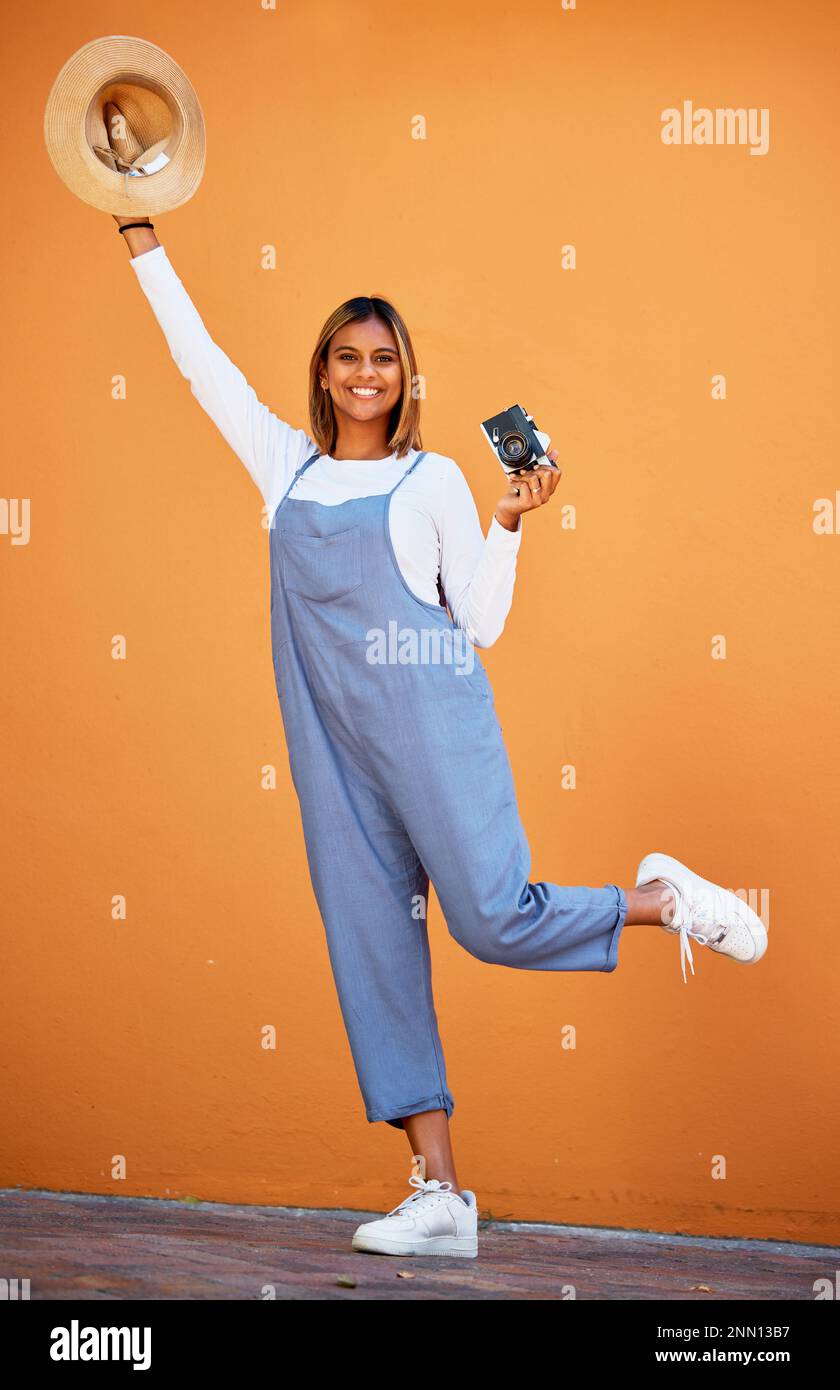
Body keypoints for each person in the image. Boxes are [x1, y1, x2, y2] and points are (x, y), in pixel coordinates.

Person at [113, 214, 768, 1260]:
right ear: (323, 373)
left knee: (491, 919)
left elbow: (484, 621)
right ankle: (440, 1193)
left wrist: (512, 520)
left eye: (385, 360)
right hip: (334, 751)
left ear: (406, 378)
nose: (365, 374)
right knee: (370, 948)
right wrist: (141, 233)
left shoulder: (434, 482)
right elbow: (199, 363)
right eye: (347, 357)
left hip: (435, 728)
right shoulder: (284, 467)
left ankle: (662, 900)